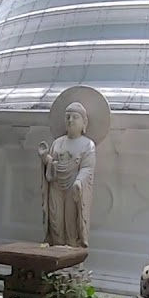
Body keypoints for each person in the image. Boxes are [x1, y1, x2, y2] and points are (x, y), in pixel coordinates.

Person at [37, 102, 96, 247]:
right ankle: (56, 257)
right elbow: (50, 162)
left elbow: (87, 168)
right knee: (56, 222)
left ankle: (72, 261)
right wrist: (45, 158)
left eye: (75, 117)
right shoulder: (57, 143)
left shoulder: (87, 145)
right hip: (56, 186)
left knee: (71, 224)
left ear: (84, 122)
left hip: (74, 188)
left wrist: (79, 182)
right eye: (67, 117)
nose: (70, 120)